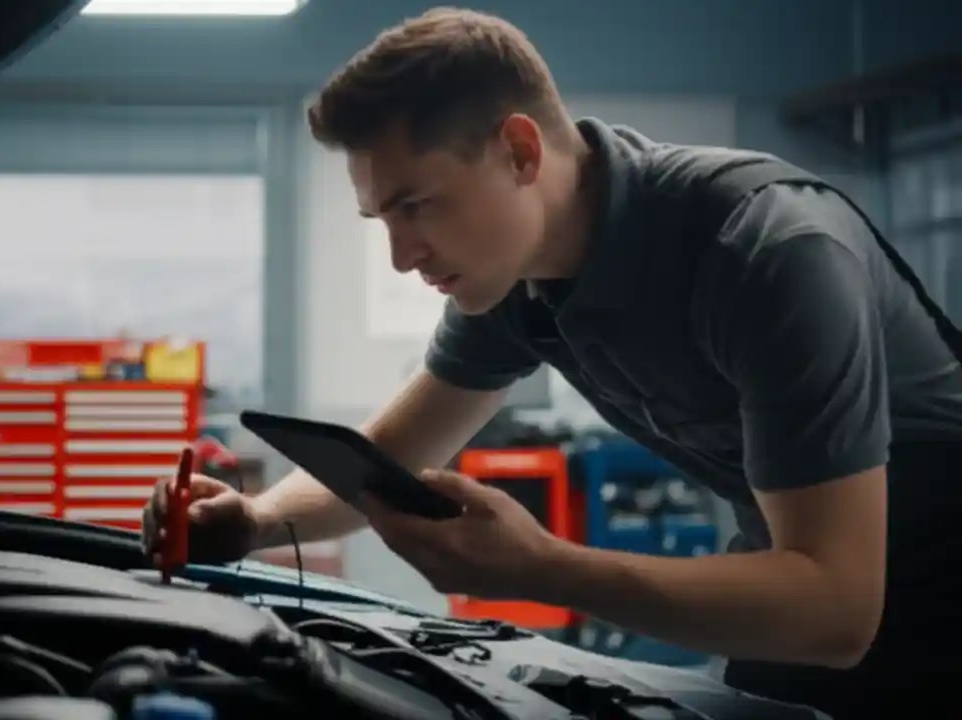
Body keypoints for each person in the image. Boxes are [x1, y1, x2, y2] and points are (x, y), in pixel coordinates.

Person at [143, 7, 961, 717]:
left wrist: (543, 567)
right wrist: (249, 523)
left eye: (416, 206)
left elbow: (837, 610)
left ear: (521, 153)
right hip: (804, 576)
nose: (399, 257)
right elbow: (386, 459)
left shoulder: (765, 250)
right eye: (379, 220)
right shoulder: (513, 286)